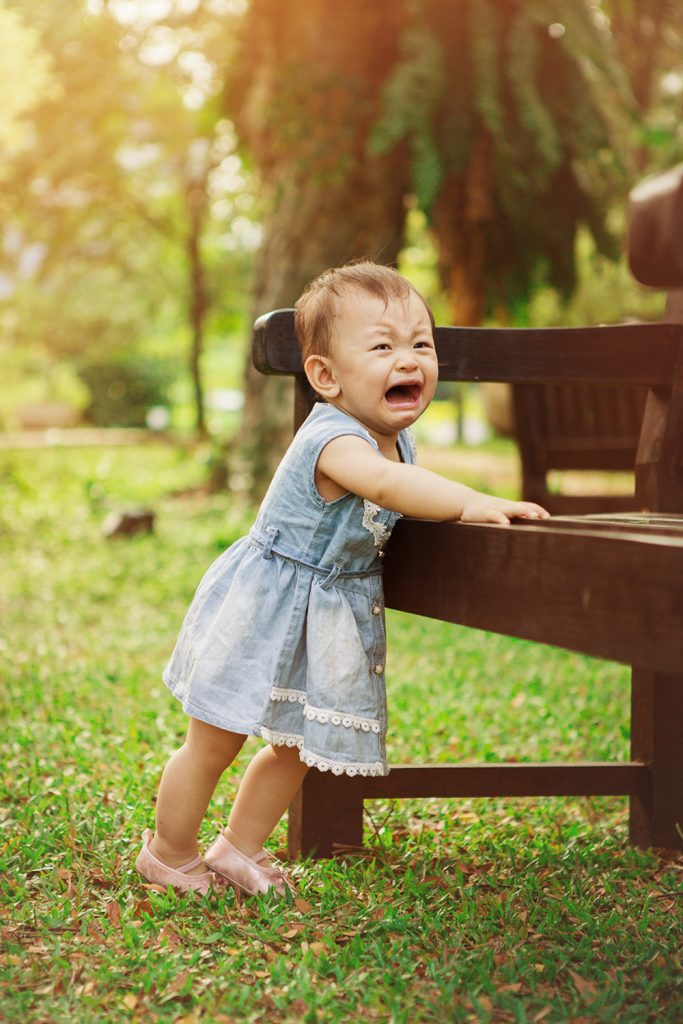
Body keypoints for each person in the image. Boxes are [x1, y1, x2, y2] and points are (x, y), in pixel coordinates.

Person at [136, 261, 549, 897]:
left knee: (297, 745)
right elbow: (388, 489)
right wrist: (468, 500)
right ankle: (169, 852)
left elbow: (399, 494)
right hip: (267, 604)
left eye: (420, 344)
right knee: (214, 740)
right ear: (326, 376)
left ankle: (237, 849)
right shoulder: (334, 439)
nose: (407, 358)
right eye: (382, 345)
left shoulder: (398, 441)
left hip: (325, 617)